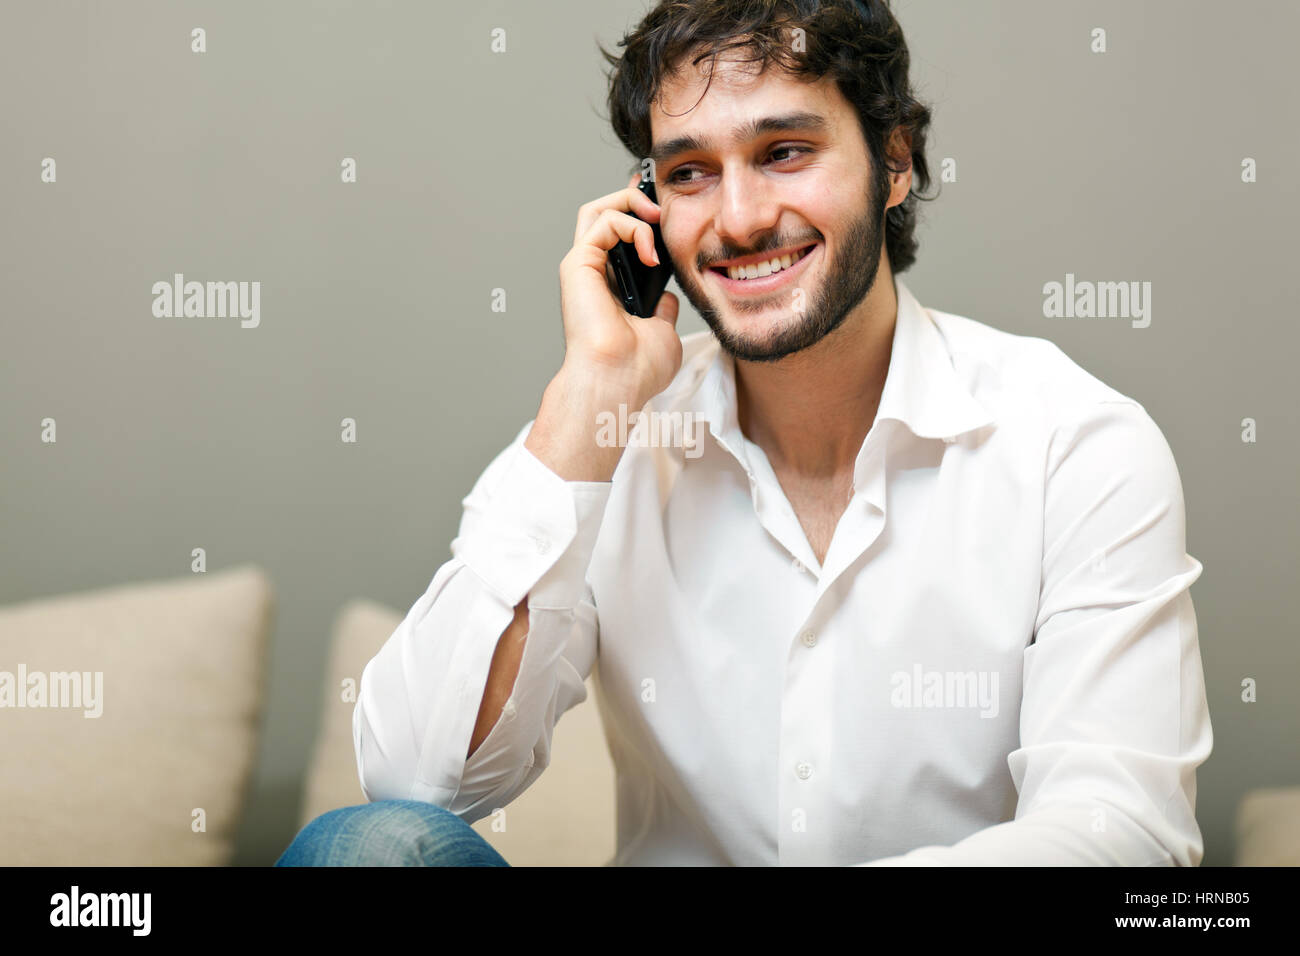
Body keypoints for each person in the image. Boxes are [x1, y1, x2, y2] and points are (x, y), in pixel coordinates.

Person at [278, 0, 1211, 867]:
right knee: (373, 847)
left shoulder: (1074, 442)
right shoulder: (612, 437)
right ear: (650, 210)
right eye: (689, 172)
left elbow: (1118, 834)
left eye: (784, 151)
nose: (738, 218)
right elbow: (414, 782)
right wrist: (589, 394)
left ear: (895, 161)